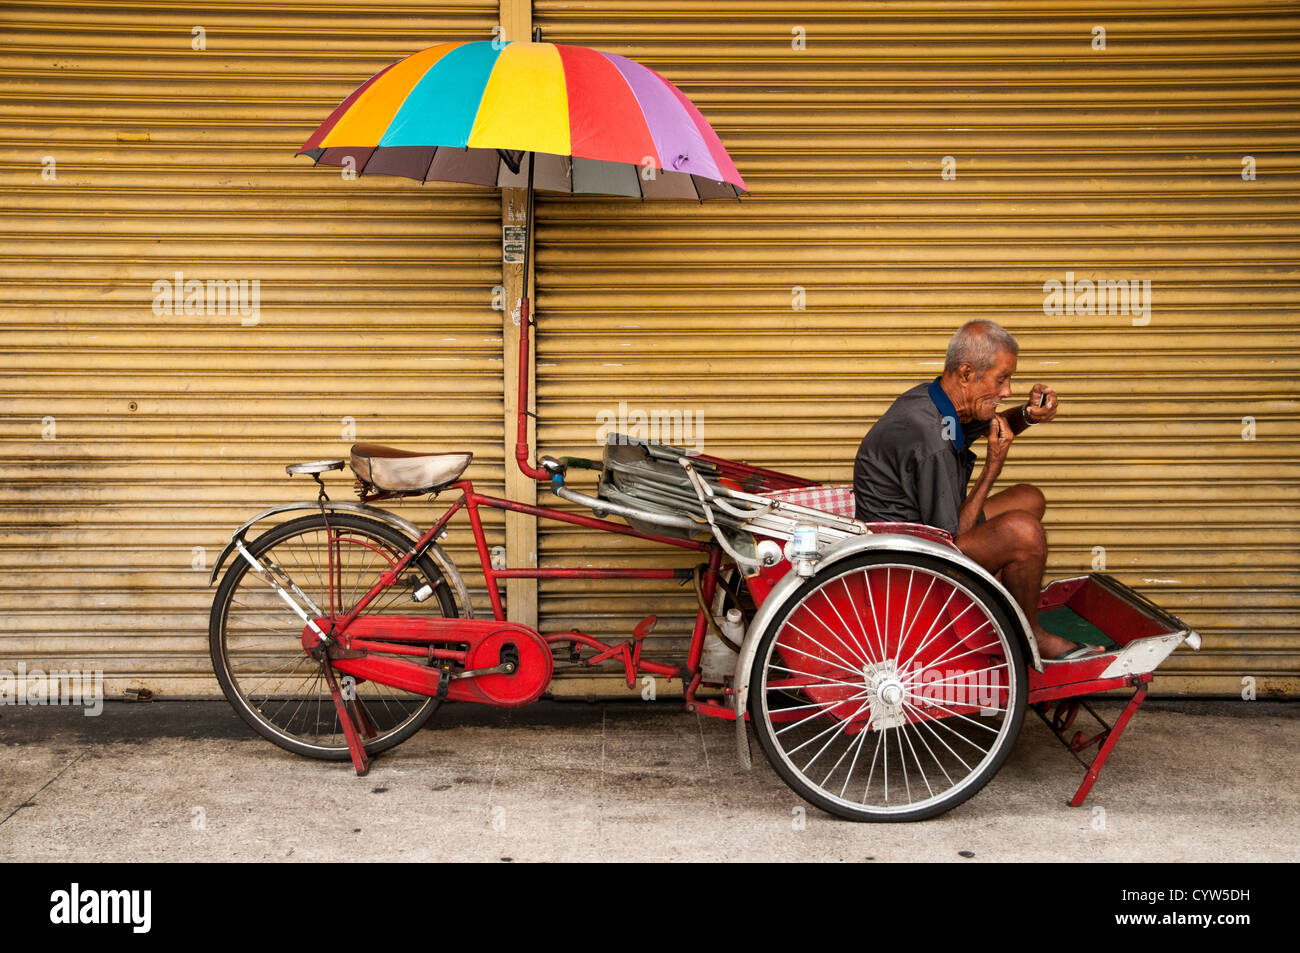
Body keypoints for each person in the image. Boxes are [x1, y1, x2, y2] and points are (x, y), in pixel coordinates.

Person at [853, 319, 1102, 661]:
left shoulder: (935, 401)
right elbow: (950, 543)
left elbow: (988, 427)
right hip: (909, 567)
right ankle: (1030, 635)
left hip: (924, 533)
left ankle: (1005, 584)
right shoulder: (931, 439)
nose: (1007, 392)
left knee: (1029, 497)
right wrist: (990, 471)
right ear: (967, 373)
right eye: (1001, 379)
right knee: (1023, 532)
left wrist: (1027, 416)